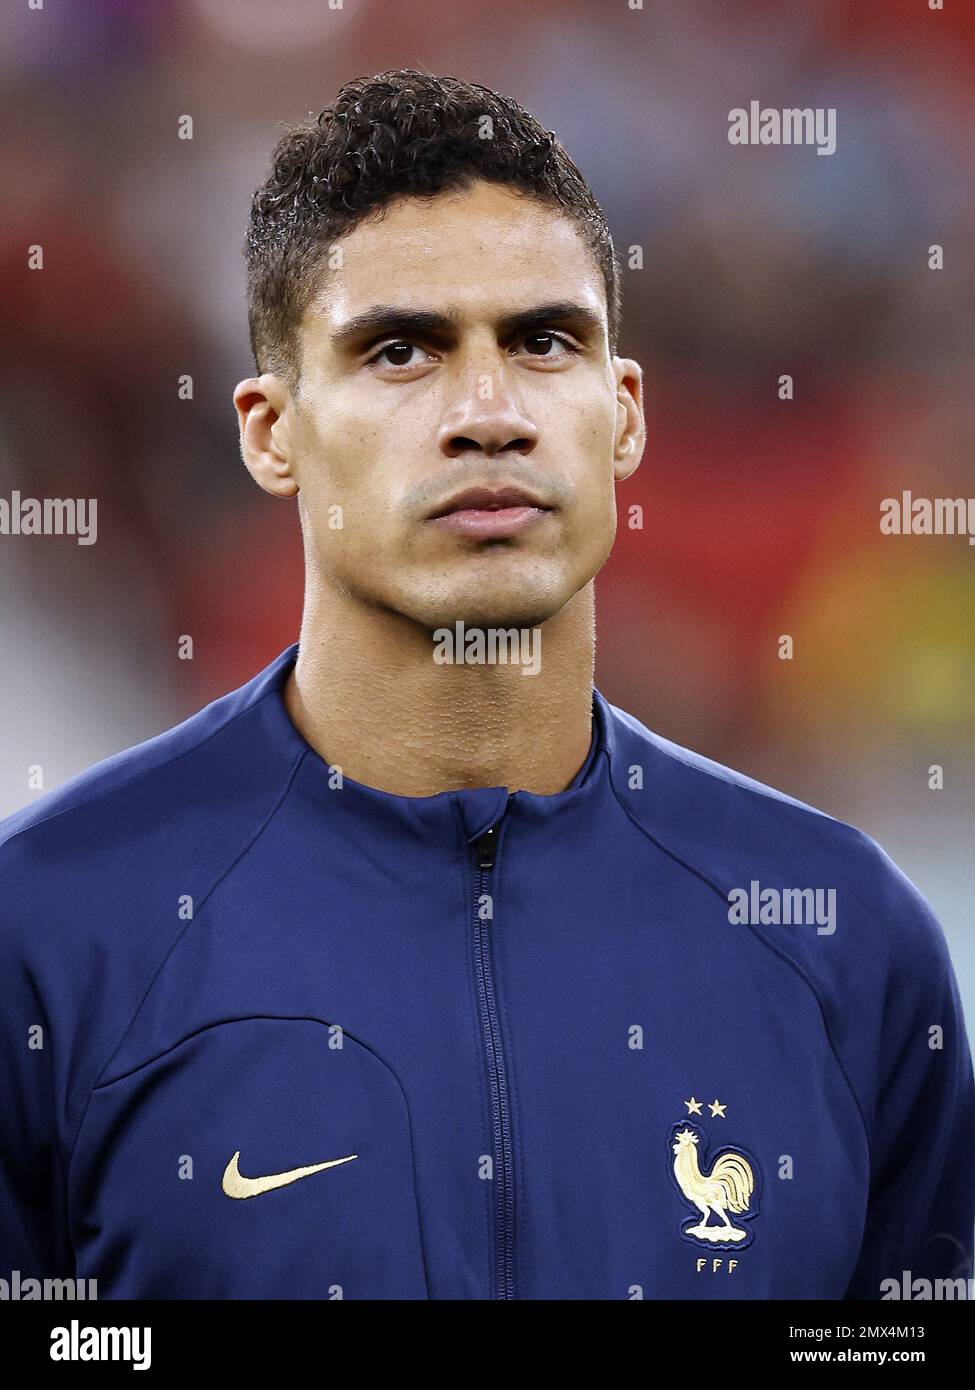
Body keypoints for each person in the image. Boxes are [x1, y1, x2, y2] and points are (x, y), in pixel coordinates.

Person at [0, 70, 971, 1301]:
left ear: (622, 416)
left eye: (544, 341)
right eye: (400, 349)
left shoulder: (845, 937)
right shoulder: (51, 932)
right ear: (269, 430)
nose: (488, 412)